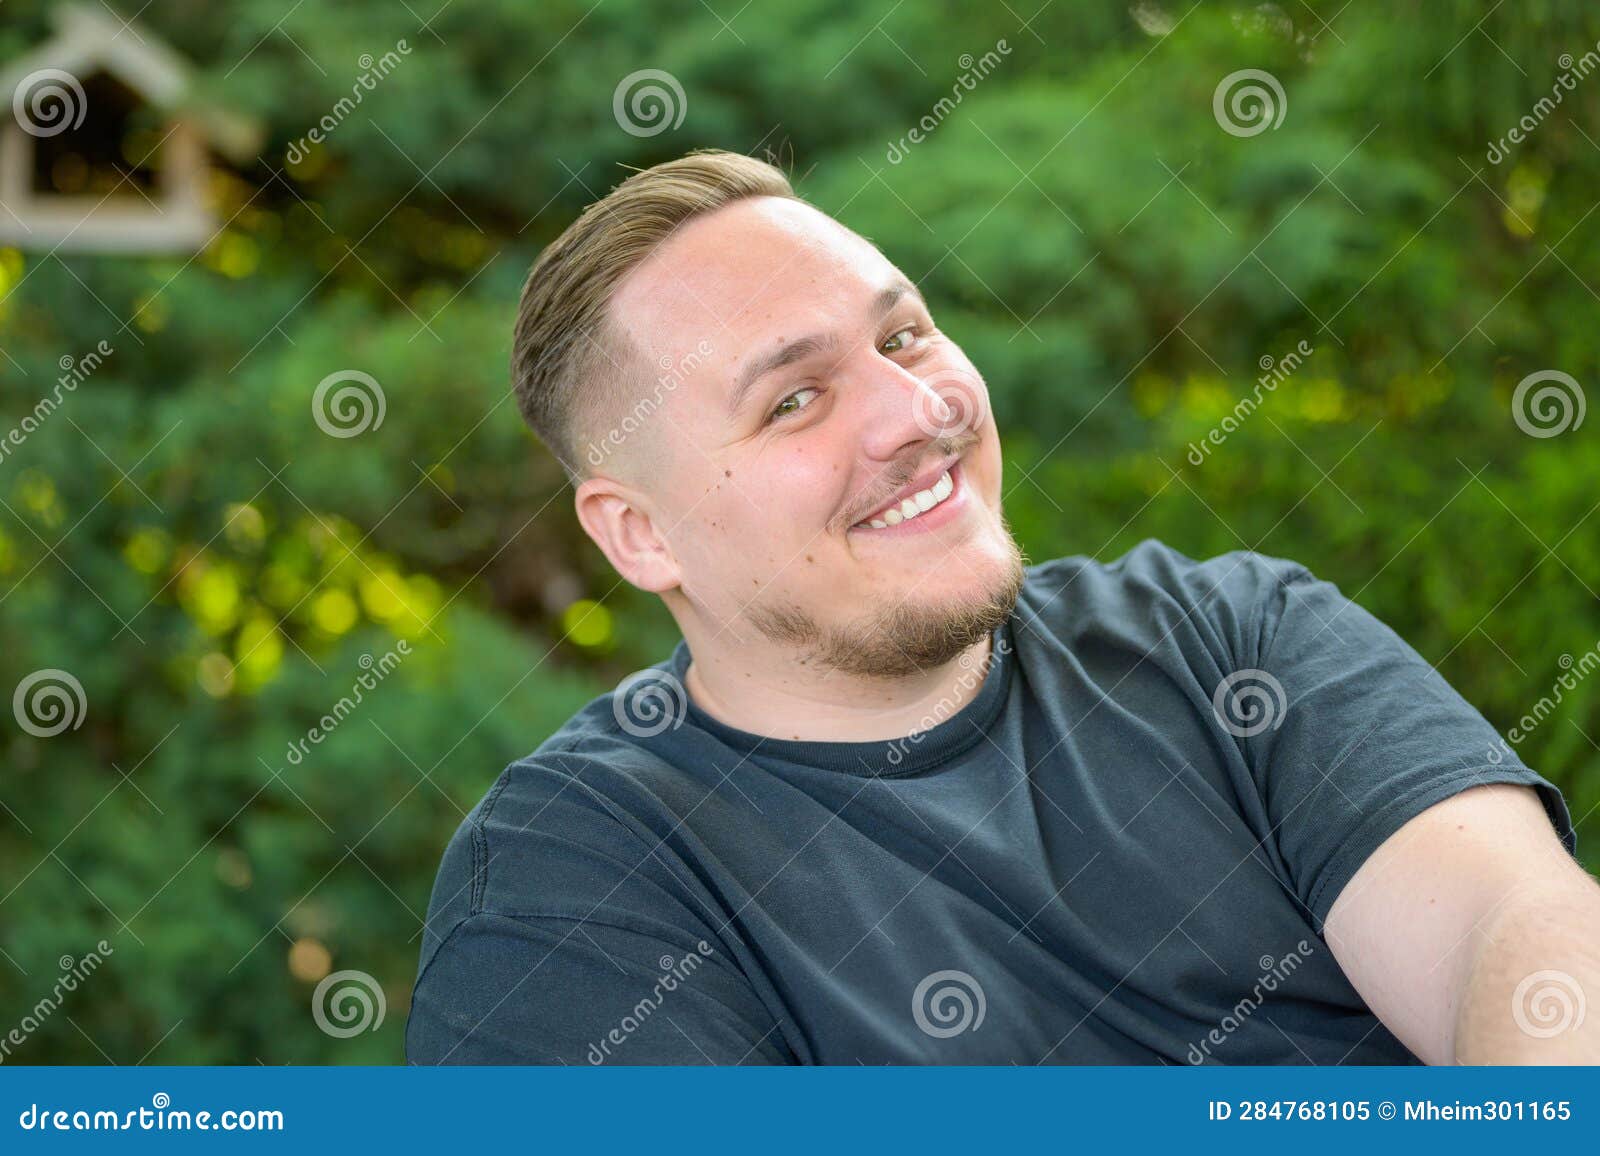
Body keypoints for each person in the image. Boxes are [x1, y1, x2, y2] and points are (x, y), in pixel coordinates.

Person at [406, 150, 1598, 1065]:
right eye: (793, 400)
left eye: (905, 334)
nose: (914, 411)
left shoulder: (1231, 640)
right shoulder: (569, 882)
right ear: (639, 533)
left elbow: (1515, 926)